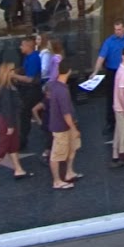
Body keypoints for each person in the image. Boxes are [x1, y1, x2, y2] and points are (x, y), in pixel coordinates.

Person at [0, 62, 30, 186]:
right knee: (3, 146)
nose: (15, 71)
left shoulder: (6, 86)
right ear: (7, 72)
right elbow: (6, 108)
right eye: (12, 69)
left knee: (13, 145)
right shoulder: (6, 89)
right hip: (6, 120)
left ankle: (18, 169)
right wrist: (10, 125)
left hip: (8, 119)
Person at [91, 19, 124, 136]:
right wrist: (95, 71)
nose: (117, 32)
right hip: (112, 72)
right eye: (115, 29)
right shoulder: (109, 41)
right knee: (111, 98)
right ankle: (111, 123)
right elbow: (101, 57)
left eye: (119, 29)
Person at [39, 57, 82, 189]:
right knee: (57, 155)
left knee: (71, 148)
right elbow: (66, 113)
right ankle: (57, 181)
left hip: (60, 125)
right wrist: (74, 128)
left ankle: (69, 172)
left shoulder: (53, 85)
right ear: (69, 71)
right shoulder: (63, 91)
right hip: (61, 127)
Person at [16, 34, 42, 149]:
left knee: (25, 114)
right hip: (27, 89)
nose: (20, 47)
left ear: (28, 46)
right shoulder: (28, 57)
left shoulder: (34, 58)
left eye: (22, 45)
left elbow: (29, 79)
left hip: (32, 90)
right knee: (28, 113)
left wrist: (13, 75)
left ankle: (22, 141)